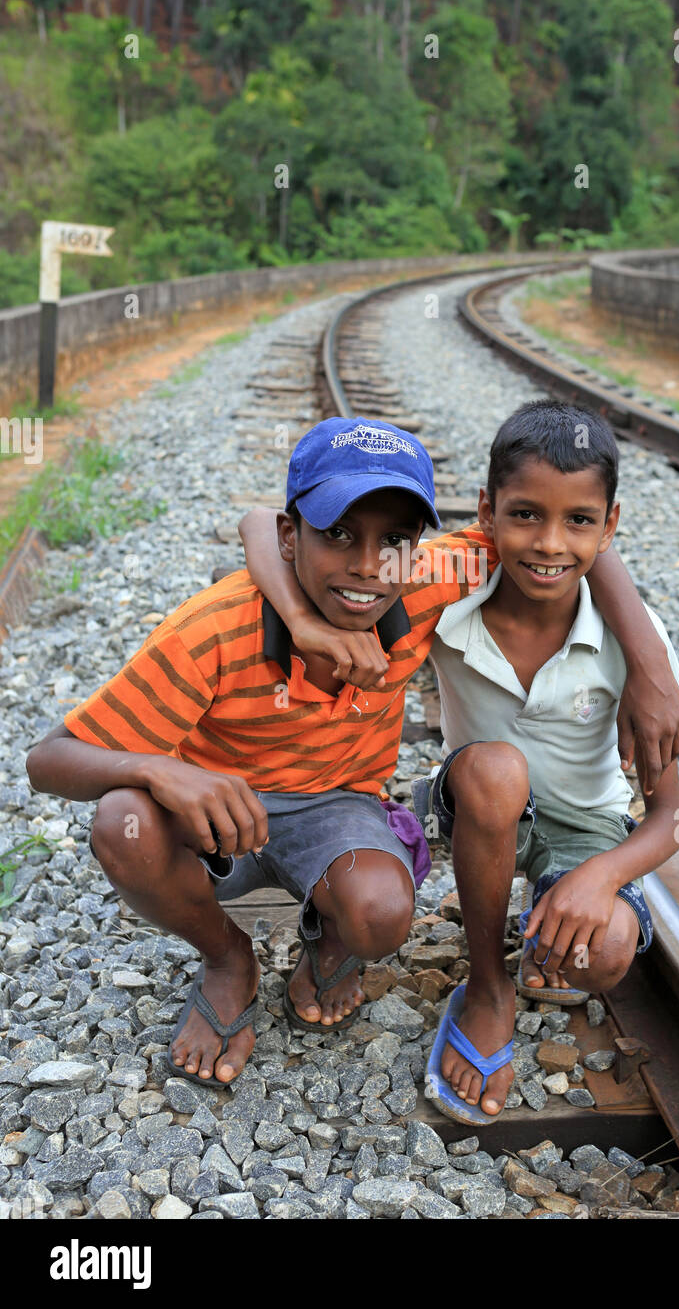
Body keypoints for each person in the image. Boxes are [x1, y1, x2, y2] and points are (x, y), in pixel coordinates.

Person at [238, 402, 679, 1121]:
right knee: (495, 772)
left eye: (579, 522)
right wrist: (298, 622)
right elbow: (265, 521)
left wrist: (599, 877)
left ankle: (552, 909)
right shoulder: (449, 596)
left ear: (610, 528)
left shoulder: (637, 648)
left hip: (586, 828)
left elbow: (672, 817)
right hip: (473, 801)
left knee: (601, 956)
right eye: (524, 516)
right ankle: (487, 988)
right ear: (485, 512)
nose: (549, 544)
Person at [26, 418, 461, 1087]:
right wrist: (159, 767)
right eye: (337, 533)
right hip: (219, 817)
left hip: (335, 807)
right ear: (291, 540)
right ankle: (229, 958)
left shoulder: (426, 583)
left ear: (417, 548)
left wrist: (648, 664)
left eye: (396, 540)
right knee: (123, 819)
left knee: (381, 911)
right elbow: (46, 760)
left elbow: (548, 540)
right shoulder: (214, 628)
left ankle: (330, 936)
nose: (370, 565)